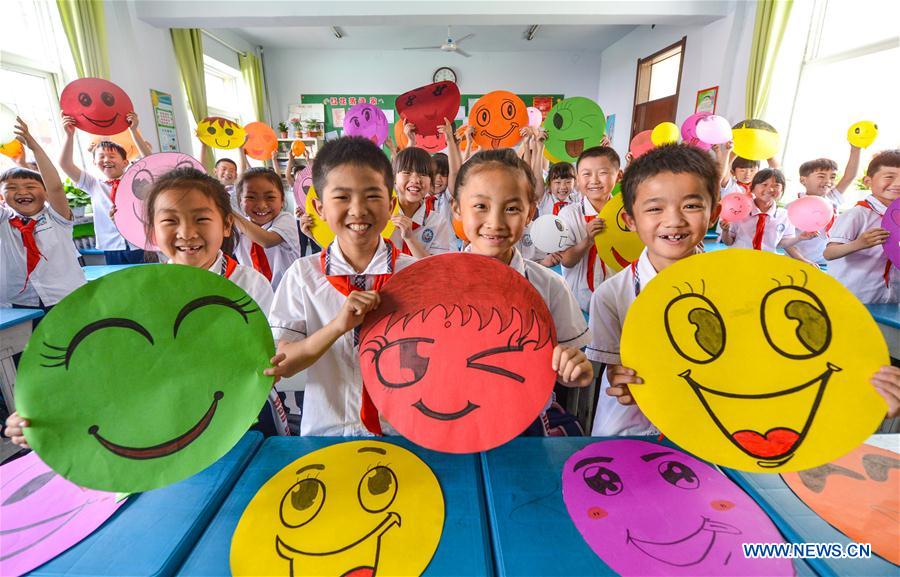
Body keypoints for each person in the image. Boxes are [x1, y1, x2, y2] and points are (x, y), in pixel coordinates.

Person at [264, 137, 418, 436]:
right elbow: (282, 365)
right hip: (325, 432)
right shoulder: (303, 276)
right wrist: (336, 327)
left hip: (402, 433)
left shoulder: (414, 276)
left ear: (392, 204)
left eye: (372, 196)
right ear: (320, 208)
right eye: (342, 197)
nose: (358, 209)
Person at [452, 148, 594, 434]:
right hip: (450, 420)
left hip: (525, 424)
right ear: (457, 208)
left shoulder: (549, 286)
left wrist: (575, 370)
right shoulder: (435, 283)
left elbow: (568, 364)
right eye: (481, 206)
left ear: (530, 212)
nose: (495, 222)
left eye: (512, 208)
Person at [588, 144, 721, 435]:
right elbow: (613, 368)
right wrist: (619, 378)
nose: (674, 220)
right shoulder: (611, 295)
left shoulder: (729, 288)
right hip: (629, 431)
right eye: (655, 208)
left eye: (691, 205)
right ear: (630, 220)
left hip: (705, 428)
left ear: (714, 213)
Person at [1, 117, 85, 311]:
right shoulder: (4, 220)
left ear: (45, 193)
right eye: (12, 188)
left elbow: (56, 187)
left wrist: (34, 147)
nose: (22, 192)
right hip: (21, 301)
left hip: (65, 296)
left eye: (30, 186)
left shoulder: (57, 217)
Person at [58, 111, 151, 264]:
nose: (106, 160)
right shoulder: (93, 184)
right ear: (95, 163)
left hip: (139, 242)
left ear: (125, 162)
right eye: (101, 157)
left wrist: (133, 131)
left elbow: (150, 161)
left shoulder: (133, 179)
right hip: (112, 246)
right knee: (119, 284)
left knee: (149, 281)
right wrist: (69, 136)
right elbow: (65, 164)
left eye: (112, 156)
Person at [824, 149, 900, 303]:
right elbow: (829, 253)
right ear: (868, 181)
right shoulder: (856, 214)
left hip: (889, 300)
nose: (898, 183)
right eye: (889, 176)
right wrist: (859, 244)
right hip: (853, 297)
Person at [558, 147, 622, 312]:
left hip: (618, 300)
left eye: (602, 173)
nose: (594, 180)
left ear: (619, 175)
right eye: (586, 174)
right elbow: (566, 260)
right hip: (578, 303)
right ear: (578, 179)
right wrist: (588, 241)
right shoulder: (569, 214)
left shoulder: (626, 214)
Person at [790, 146, 862, 265]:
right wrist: (803, 261)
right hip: (799, 262)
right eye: (821, 176)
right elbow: (785, 240)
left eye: (832, 177)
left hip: (827, 262)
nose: (828, 181)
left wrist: (856, 149)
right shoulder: (793, 207)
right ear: (803, 180)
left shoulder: (832, 199)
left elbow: (849, 177)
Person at [231, 167, 301, 289]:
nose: (262, 205)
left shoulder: (285, 220)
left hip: (287, 295)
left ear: (282, 199)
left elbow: (267, 241)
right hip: (255, 296)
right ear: (240, 201)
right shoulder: (237, 228)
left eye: (270, 197)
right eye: (251, 197)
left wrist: (230, 213)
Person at [719, 168, 814, 255]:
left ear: (782, 190)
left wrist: (799, 238)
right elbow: (728, 242)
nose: (770, 189)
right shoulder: (739, 210)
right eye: (764, 184)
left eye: (776, 185)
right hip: (739, 258)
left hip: (767, 262)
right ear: (753, 188)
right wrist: (725, 231)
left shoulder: (785, 215)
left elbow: (781, 244)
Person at [389, 147, 451, 257]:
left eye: (423, 174)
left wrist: (410, 239)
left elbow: (437, 269)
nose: (415, 180)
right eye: (407, 172)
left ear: (430, 180)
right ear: (394, 178)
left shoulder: (437, 223)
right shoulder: (382, 217)